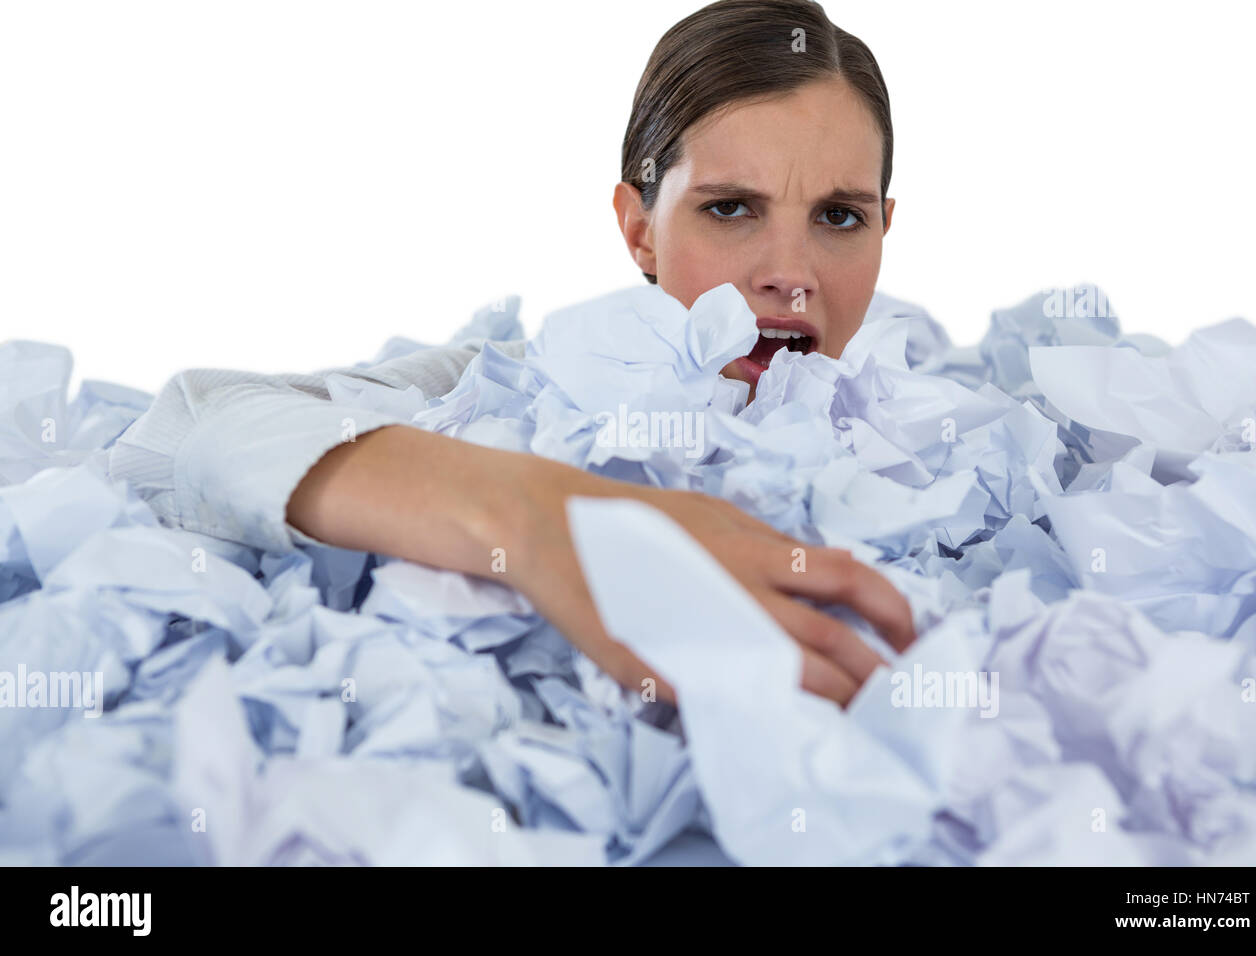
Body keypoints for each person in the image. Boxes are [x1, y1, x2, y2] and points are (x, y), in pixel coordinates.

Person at [108, 0, 916, 709]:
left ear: (885, 226)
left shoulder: (938, 437)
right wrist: (542, 515)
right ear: (639, 229)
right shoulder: (507, 386)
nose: (789, 274)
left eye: (839, 218)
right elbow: (191, 429)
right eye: (731, 207)